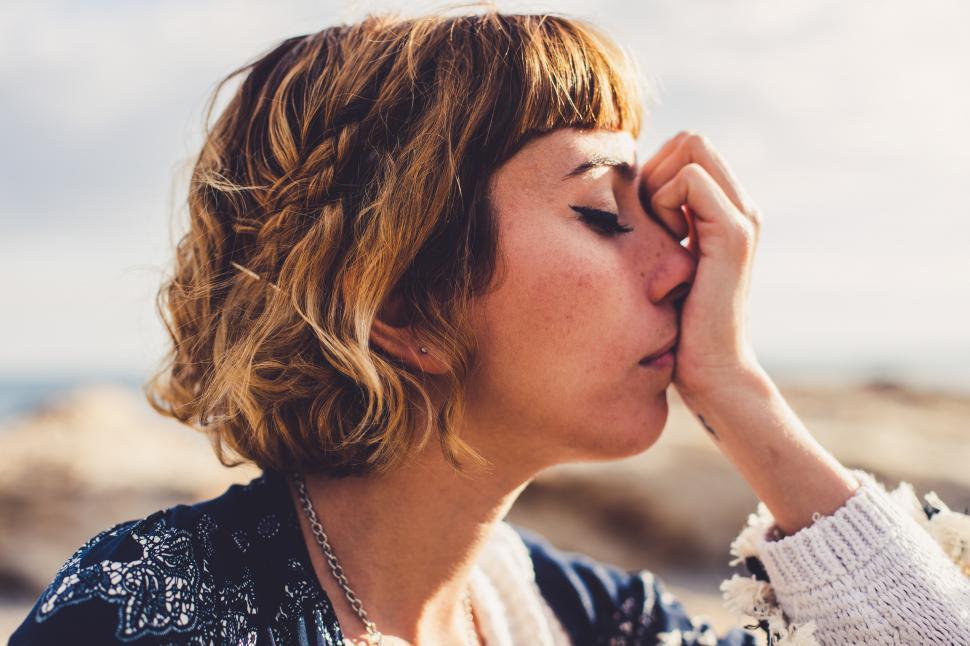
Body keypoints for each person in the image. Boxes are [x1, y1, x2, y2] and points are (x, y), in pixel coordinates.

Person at [9, 8, 970, 646]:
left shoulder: (578, 618)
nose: (684, 264)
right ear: (398, 304)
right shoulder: (149, 613)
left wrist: (739, 393)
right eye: (604, 215)